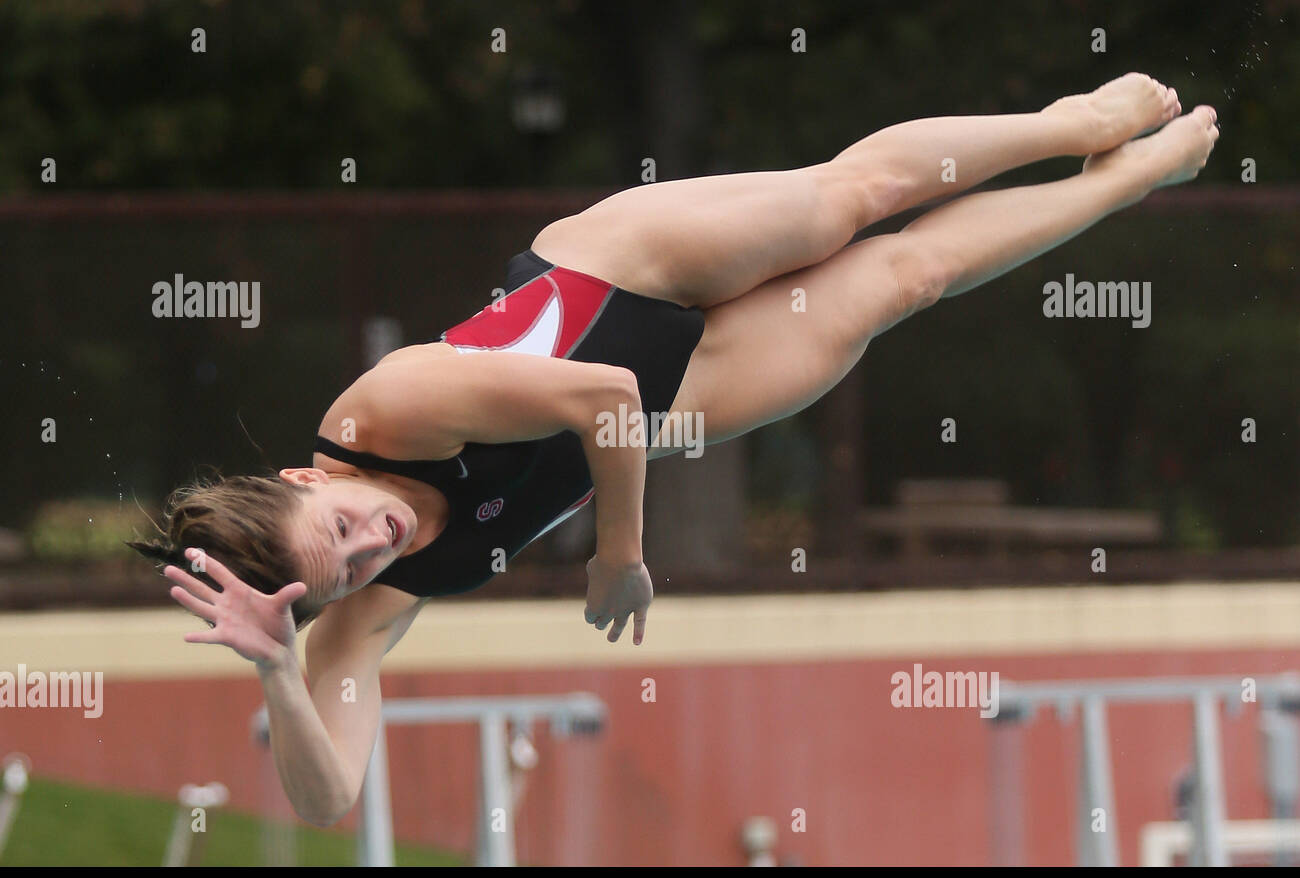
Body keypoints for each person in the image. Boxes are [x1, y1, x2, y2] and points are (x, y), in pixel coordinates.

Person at [131, 74, 1217, 825]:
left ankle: (1067, 123)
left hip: (616, 280)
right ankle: (1122, 182)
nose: (379, 542)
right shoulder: (359, 606)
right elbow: (329, 797)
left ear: (306, 476)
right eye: (355, 567)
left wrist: (617, 553)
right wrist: (281, 671)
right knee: (902, 282)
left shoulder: (390, 408)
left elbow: (603, 394)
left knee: (855, 198)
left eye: (345, 525)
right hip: (678, 398)